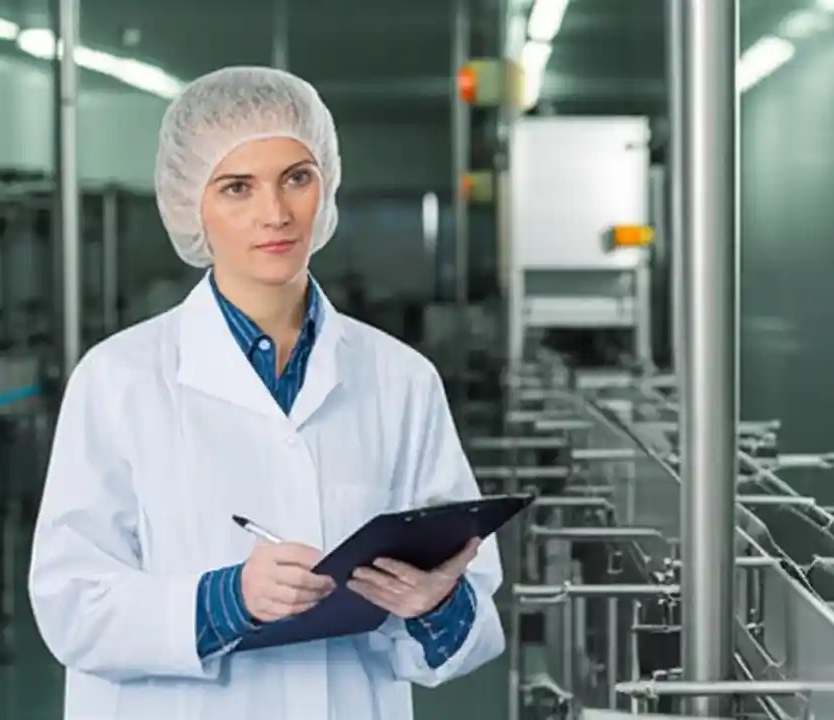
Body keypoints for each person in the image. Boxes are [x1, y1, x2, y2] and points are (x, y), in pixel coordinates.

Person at [27, 66, 505, 720]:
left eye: (296, 178)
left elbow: (469, 596)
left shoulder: (401, 380)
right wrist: (229, 599)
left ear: (326, 186)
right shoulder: (118, 380)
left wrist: (436, 604)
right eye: (237, 187)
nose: (274, 213)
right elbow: (71, 602)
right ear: (190, 202)